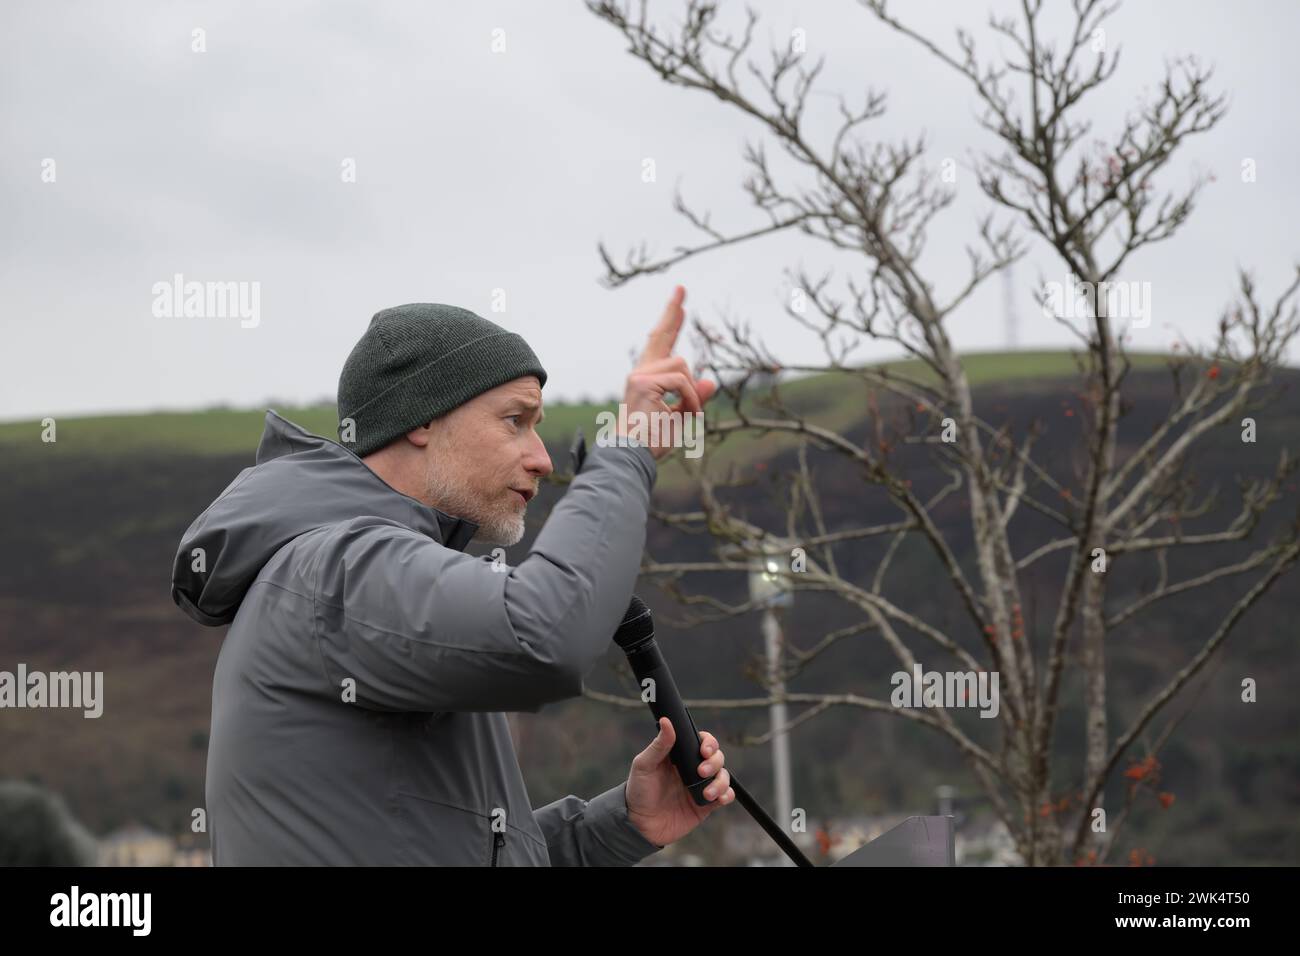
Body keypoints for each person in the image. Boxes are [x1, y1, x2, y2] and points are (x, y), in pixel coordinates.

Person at [170, 287, 731, 865]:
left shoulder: (357, 574)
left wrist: (622, 824)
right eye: (515, 420)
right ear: (422, 421)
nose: (542, 457)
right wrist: (628, 447)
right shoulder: (337, 571)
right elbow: (544, 634)